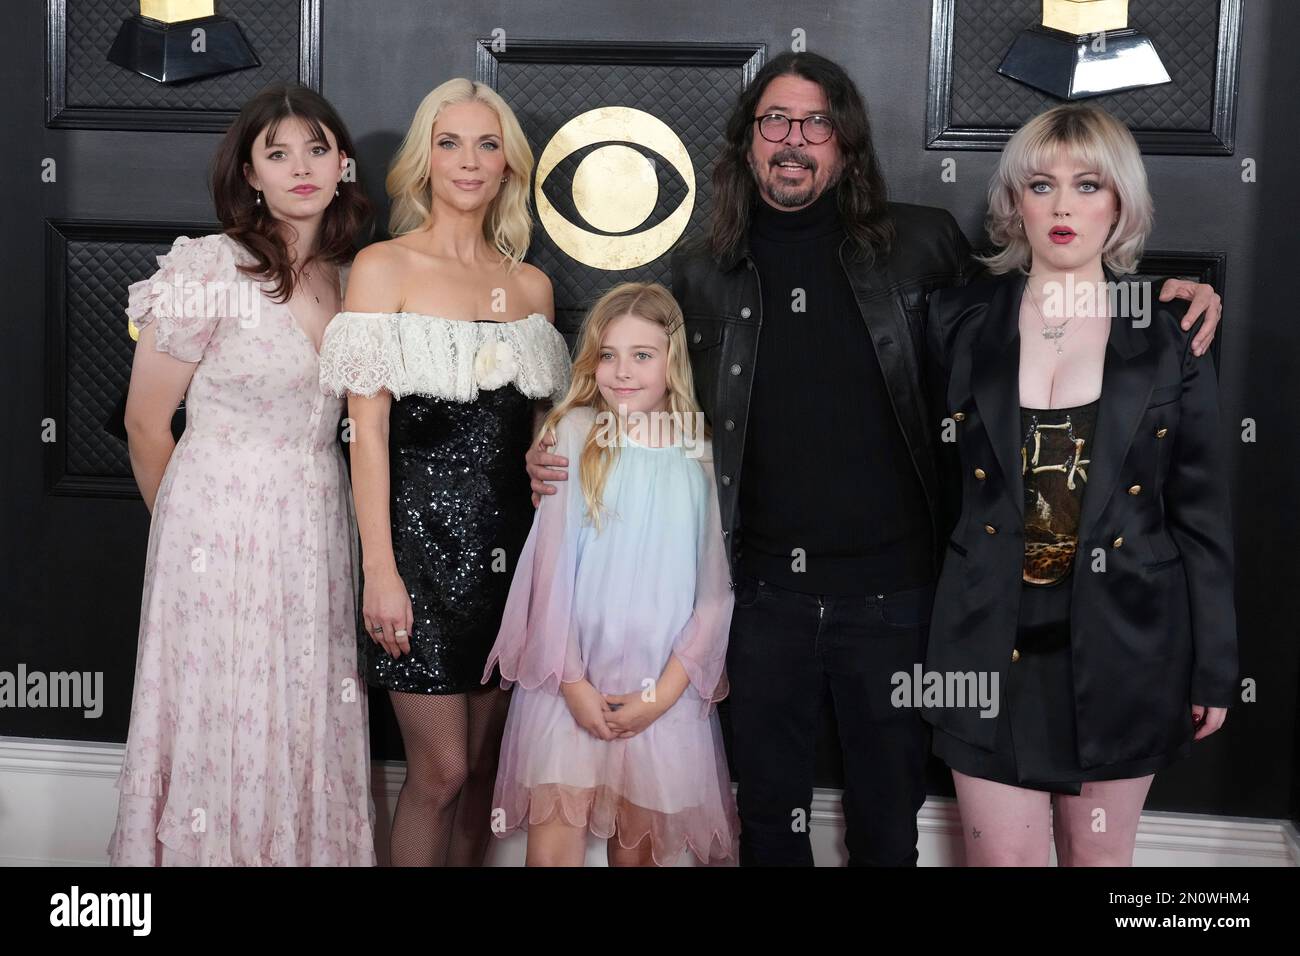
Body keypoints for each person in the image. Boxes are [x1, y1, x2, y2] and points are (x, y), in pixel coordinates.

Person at [527, 51, 1225, 866]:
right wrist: (557, 439)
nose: (794, 139)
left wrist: (1160, 292)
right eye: (775, 122)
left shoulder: (921, 246)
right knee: (769, 830)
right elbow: (642, 382)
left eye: (816, 122)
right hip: (761, 600)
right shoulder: (702, 275)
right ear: (749, 144)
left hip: (903, 601)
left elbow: (1043, 295)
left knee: (888, 831)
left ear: (845, 143)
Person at [923, 104, 1237, 866]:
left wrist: (1216, 669)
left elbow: (1201, 514)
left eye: (1087, 184)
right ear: (1013, 203)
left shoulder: (1167, 334)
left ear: (1120, 202)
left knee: (1100, 862)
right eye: (1041, 184)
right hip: (983, 646)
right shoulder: (956, 321)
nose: (1062, 206)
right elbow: (928, 484)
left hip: (1128, 647)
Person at [109, 83, 375, 866]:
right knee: (221, 704)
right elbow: (144, 422)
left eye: (317, 149)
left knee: (301, 704)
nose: (301, 167)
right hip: (213, 529)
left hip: (315, 522)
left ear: (343, 163)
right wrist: (186, 539)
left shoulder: (356, 277)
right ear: (250, 174)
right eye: (279, 153)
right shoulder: (209, 264)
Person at [318, 78, 570, 866]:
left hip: (510, 560)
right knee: (441, 770)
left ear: (509, 167)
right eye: (450, 142)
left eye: (487, 143)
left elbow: (538, 436)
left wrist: (544, 457)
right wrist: (380, 572)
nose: (469, 160)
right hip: (417, 562)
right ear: (425, 160)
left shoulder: (531, 287)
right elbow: (366, 435)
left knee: (486, 776)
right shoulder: (383, 268)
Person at [483, 283, 738, 867]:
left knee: (638, 855)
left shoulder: (701, 454)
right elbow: (547, 578)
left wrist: (667, 692)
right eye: (607, 355)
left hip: (657, 693)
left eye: (642, 356)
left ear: (671, 360)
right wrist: (572, 684)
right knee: (552, 851)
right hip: (569, 684)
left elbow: (714, 594)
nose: (622, 372)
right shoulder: (571, 435)